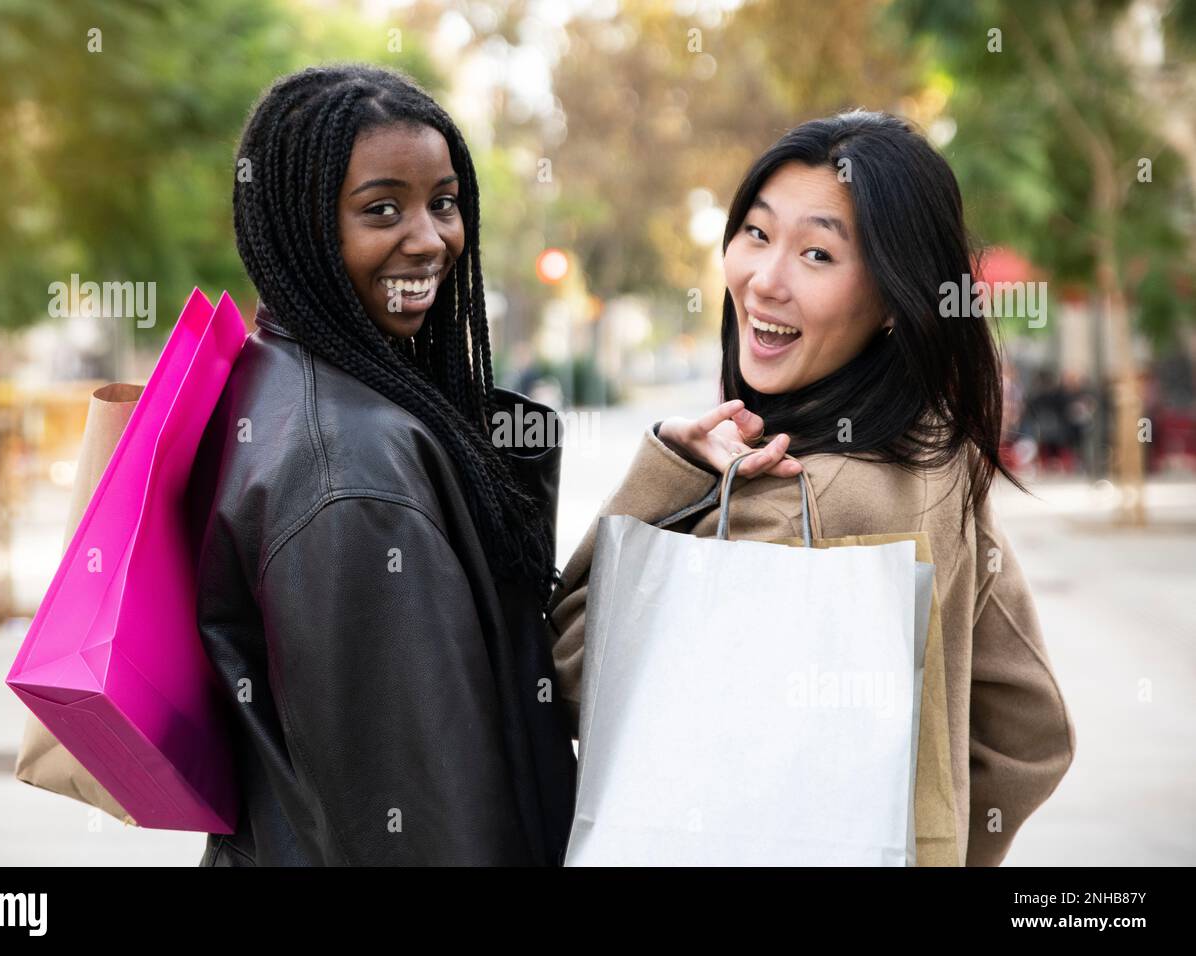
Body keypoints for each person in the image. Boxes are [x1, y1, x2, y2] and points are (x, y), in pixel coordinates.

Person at [548, 111, 1076, 867]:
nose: (765, 280)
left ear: (895, 298)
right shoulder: (940, 459)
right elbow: (1033, 730)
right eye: (757, 234)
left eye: (818, 254)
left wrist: (669, 468)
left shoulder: (790, 497)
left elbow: (575, 674)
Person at [188, 64, 576, 866]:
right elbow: (424, 822)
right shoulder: (355, 475)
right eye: (382, 210)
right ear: (301, 226)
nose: (430, 239)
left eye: (444, 202)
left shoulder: (288, 378)